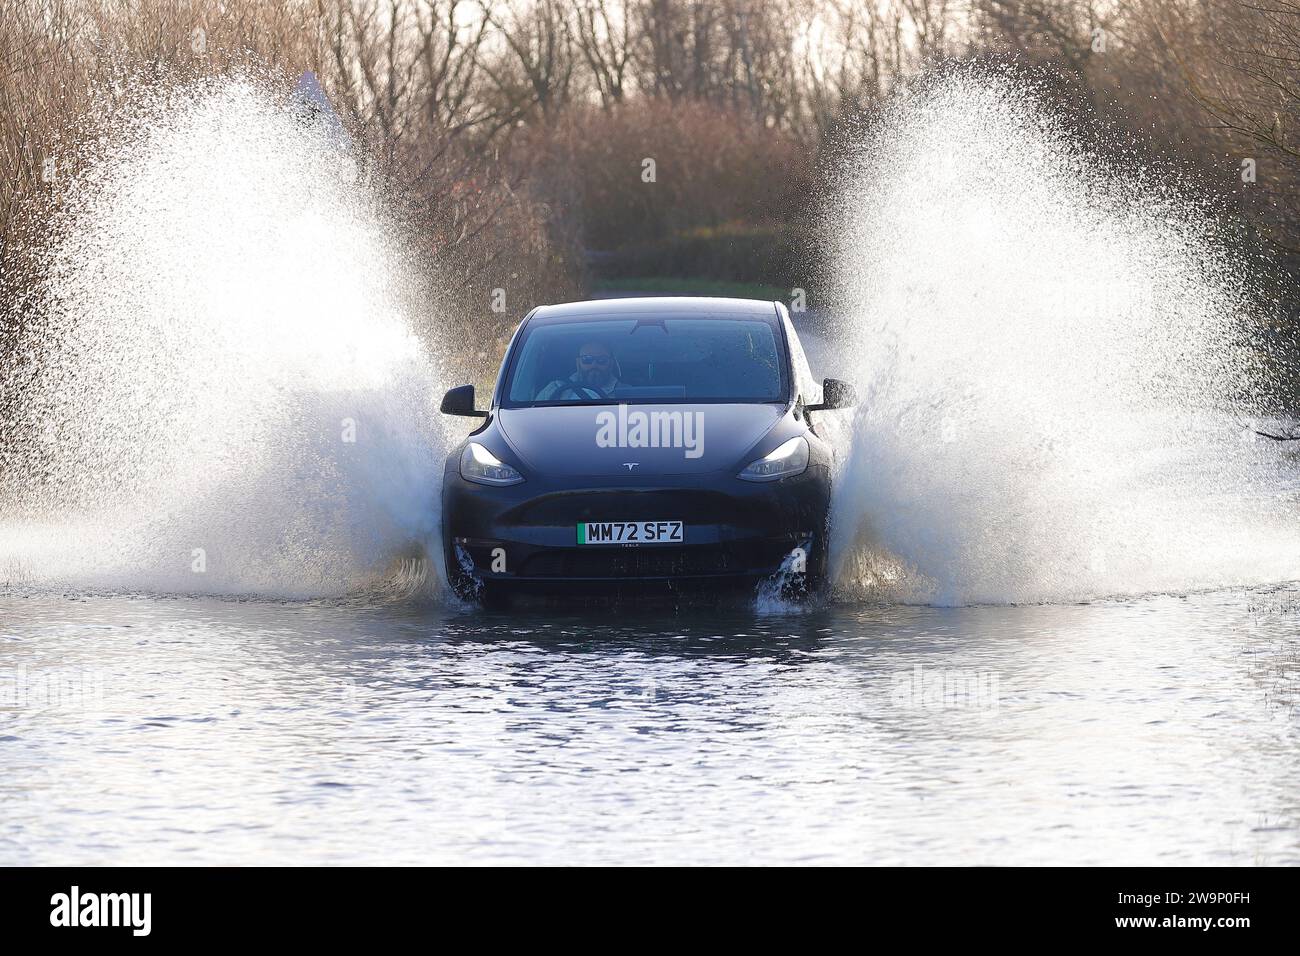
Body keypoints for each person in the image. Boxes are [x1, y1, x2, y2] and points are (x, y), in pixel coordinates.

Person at [536, 340, 620, 400]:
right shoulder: (554, 389)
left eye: (602, 360)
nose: (594, 365)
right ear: (578, 363)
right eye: (587, 359)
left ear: (611, 364)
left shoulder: (625, 392)